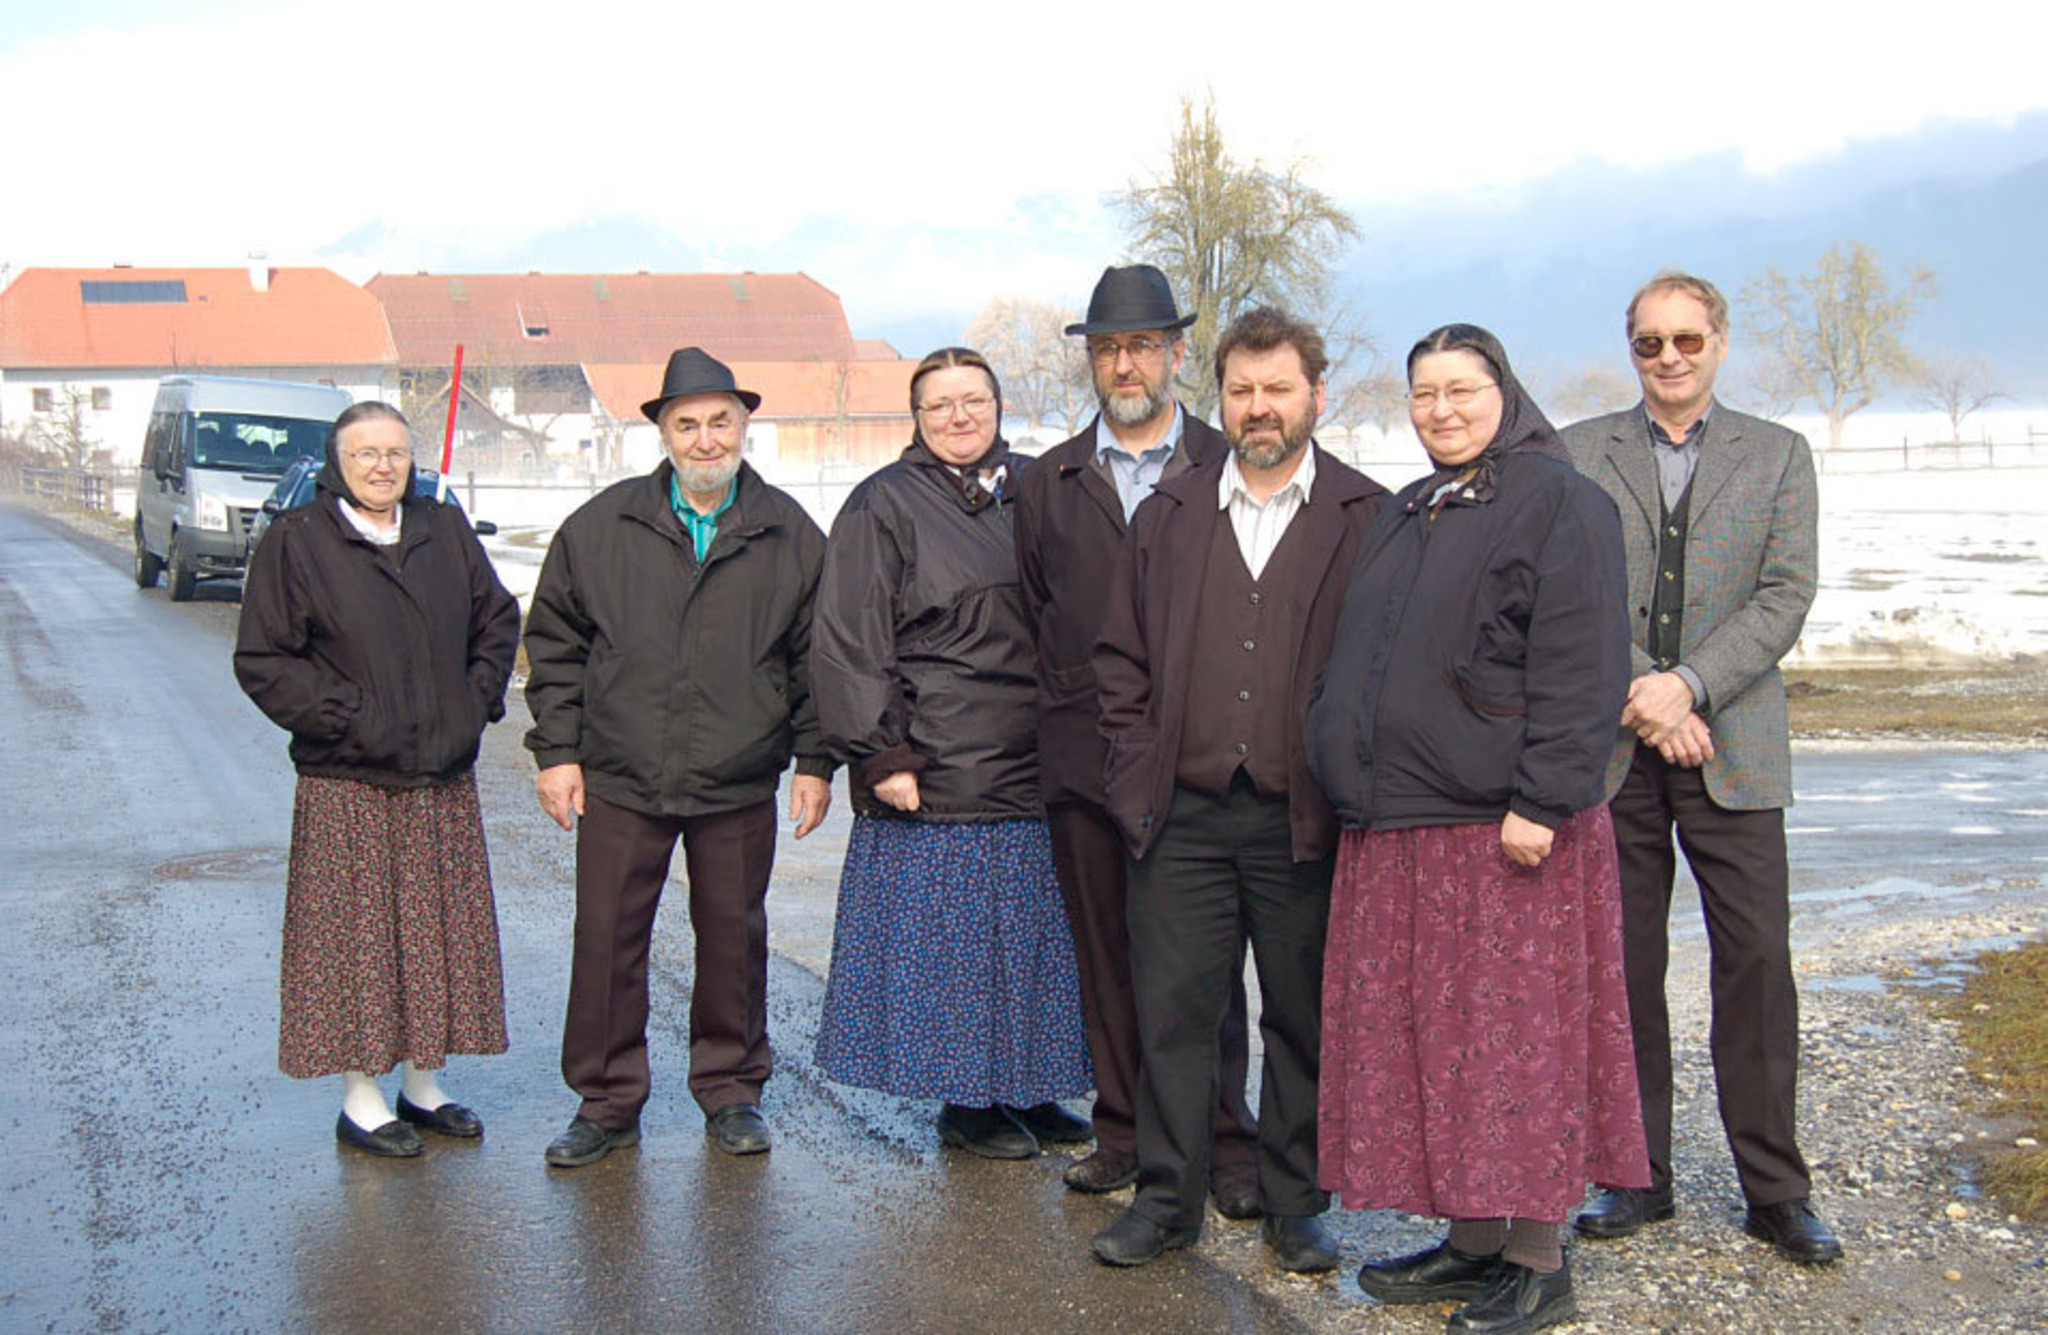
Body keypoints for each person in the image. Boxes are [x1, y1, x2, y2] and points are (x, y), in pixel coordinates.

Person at [1306, 324, 1646, 1334]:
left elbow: (1585, 665)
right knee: (1433, 1043)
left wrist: (1542, 798)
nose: (1440, 410)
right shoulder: (1411, 506)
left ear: (1503, 391)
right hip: (1400, 820)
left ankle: (1538, 1261)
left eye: (1461, 389)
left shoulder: (1560, 501)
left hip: (1502, 829)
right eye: (1422, 394)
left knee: (1513, 1045)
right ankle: (1470, 1240)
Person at [1090, 307, 1388, 1272]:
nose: (1259, 409)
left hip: (1305, 817)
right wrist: (1138, 764)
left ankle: (1294, 1198)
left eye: (1279, 389)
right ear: (1220, 394)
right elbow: (1119, 658)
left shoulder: (1369, 516)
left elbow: (1387, 665)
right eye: (1243, 390)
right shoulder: (1168, 514)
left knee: (1300, 1012)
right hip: (1180, 814)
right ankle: (1169, 1198)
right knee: (1173, 1012)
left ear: (1317, 396)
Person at [1562, 273, 1841, 1263]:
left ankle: (1773, 1188)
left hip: (1733, 745)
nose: (1668, 357)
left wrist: (1688, 687)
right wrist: (1646, 694)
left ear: (1718, 343)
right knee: (1620, 968)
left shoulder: (1777, 455)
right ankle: (1633, 1176)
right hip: (1612, 750)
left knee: (1756, 967)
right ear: (1628, 348)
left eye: (1686, 339)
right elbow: (1570, 595)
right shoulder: (1574, 453)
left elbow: (1783, 595)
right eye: (1648, 343)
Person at [524, 348, 833, 1168]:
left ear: (744, 426)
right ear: (661, 432)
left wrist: (814, 759)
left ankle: (731, 1089)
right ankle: (607, 1098)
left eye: (720, 421)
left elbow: (816, 659)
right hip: (622, 771)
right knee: (606, 938)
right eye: (687, 424)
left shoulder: (789, 534)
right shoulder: (601, 528)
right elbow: (554, 645)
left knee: (734, 937)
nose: (705, 439)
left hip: (736, 772)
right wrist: (557, 751)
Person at [1012, 264, 1260, 1204]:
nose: (1126, 364)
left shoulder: (1225, 459)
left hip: (1201, 757)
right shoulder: (1049, 480)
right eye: (1110, 347)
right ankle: (1123, 1133)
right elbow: (1038, 608)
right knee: (1107, 953)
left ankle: (1226, 1146)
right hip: (1084, 757)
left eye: (1144, 346)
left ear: (1176, 354)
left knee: (1208, 964)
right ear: (1091, 357)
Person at [810, 346, 1092, 1159]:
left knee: (1041, 944)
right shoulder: (883, 504)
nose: (959, 417)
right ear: (918, 418)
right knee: (959, 955)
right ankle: (967, 1102)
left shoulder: (1043, 488)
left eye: (973, 401)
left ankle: (1033, 1088)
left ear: (999, 407)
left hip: (1042, 760)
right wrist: (881, 753)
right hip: (940, 767)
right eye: (940, 406)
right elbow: (848, 641)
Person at [235, 400, 521, 1157]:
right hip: (349, 780)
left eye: (395, 452)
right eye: (365, 453)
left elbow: (497, 619)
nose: (382, 466)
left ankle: (425, 1086)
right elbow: (263, 660)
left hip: (439, 772)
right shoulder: (299, 542)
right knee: (361, 942)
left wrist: (474, 700)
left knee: (437, 933)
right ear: (338, 463)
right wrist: (348, 715)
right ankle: (361, 1100)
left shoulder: (442, 529)